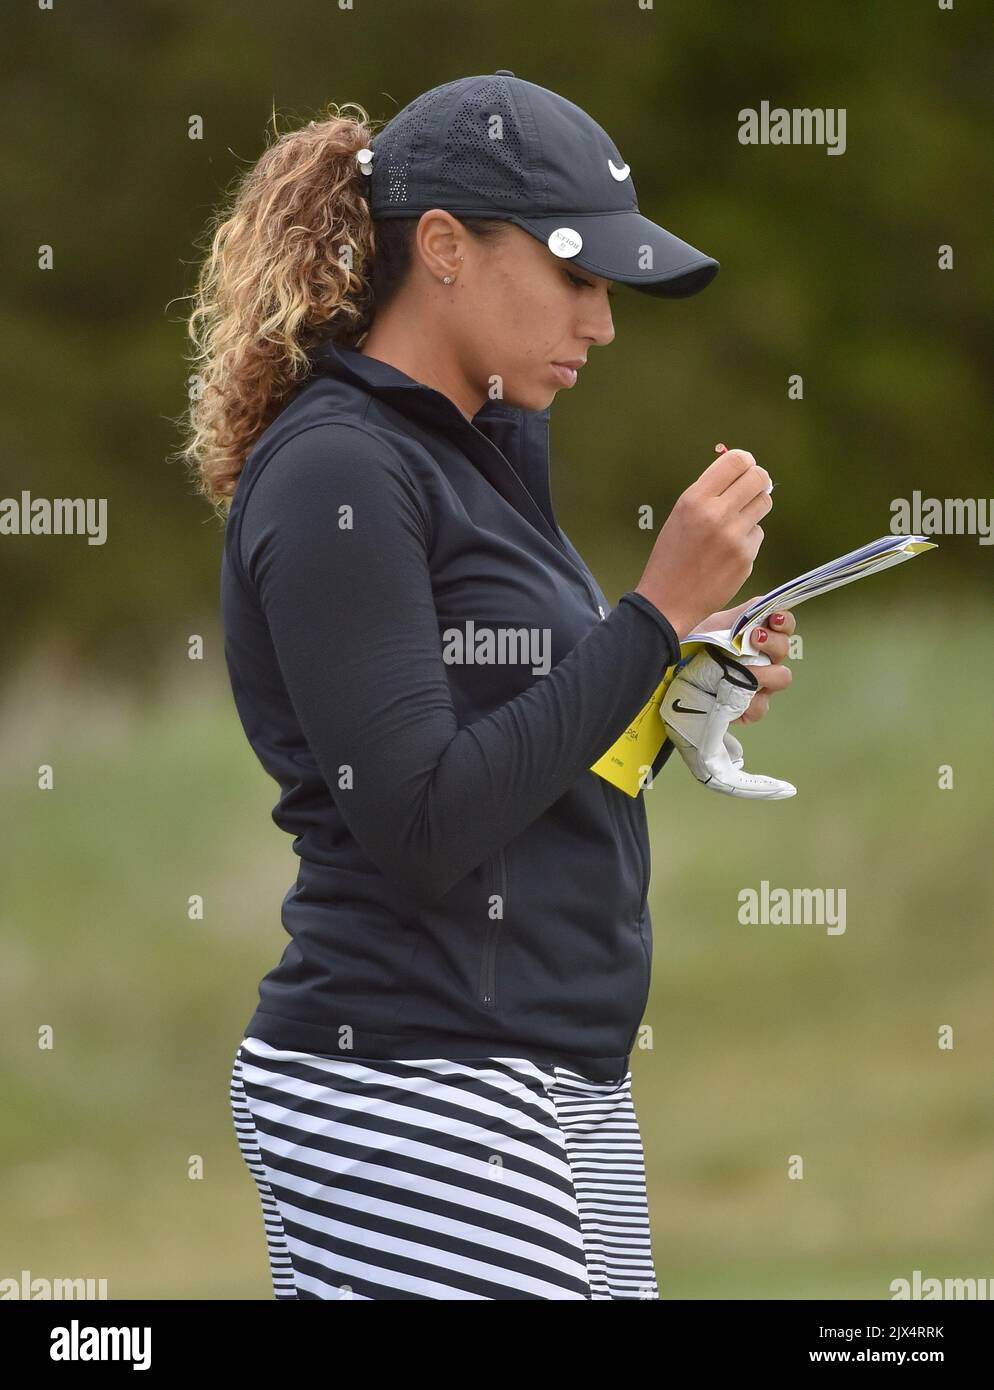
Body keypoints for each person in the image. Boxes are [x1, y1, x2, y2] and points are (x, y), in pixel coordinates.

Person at [181, 71, 796, 1301]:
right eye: (576, 276)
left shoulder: (479, 450)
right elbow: (420, 821)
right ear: (448, 248)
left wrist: (671, 687)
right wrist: (651, 612)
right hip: (416, 1083)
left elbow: (519, 756)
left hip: (542, 1072)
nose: (602, 321)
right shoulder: (337, 470)